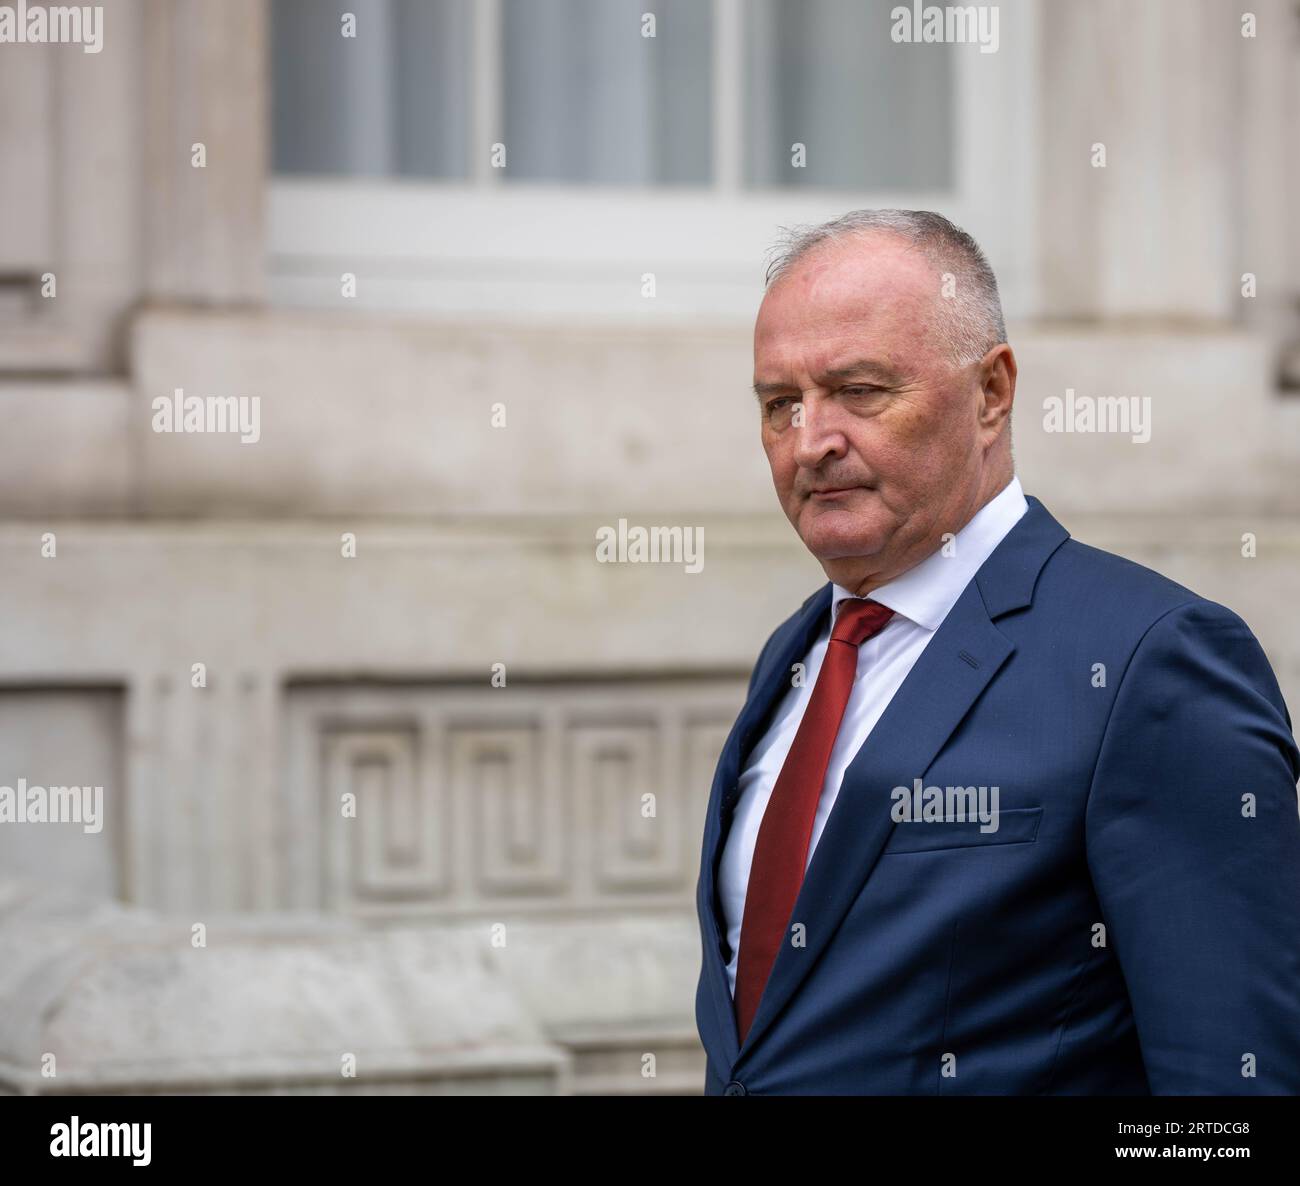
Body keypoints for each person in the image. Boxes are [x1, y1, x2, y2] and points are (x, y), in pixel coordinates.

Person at [694, 209, 1300, 1095]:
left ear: (991, 394)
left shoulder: (1152, 663)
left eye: (859, 390)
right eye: (779, 404)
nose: (809, 441)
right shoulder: (798, 656)